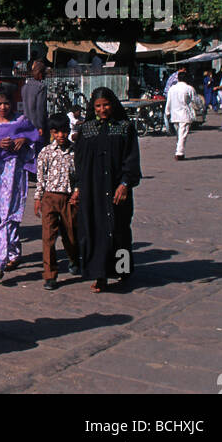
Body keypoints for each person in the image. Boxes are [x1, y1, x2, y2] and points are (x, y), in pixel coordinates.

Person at [71, 87, 141, 293]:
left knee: (120, 230)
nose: (103, 109)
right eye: (98, 106)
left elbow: (131, 158)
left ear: (113, 104)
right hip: (93, 190)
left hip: (118, 189)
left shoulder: (125, 127)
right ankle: (99, 275)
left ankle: (123, 270)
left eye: (106, 105)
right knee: (95, 231)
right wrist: (77, 187)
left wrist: (125, 183)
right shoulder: (87, 129)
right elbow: (79, 161)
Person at [0, 84, 41, 280]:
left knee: (9, 213)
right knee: (2, 213)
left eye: (6, 103)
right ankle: (12, 252)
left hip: (15, 172)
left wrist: (23, 139)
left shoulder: (21, 121)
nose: (3, 107)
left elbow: (35, 137)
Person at [34, 114, 80, 289]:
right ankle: (50, 275)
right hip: (49, 198)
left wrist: (77, 192)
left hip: (69, 199)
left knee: (71, 235)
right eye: (57, 132)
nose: (61, 135)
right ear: (52, 132)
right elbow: (41, 178)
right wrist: (38, 198)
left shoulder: (75, 152)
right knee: (48, 238)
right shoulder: (45, 153)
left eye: (64, 131)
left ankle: (74, 259)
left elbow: (79, 176)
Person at [165, 66, 197, 160]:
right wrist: (201, 108)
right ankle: (179, 153)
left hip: (174, 114)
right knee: (182, 134)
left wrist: (167, 112)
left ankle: (179, 150)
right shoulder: (189, 88)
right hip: (185, 114)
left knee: (179, 134)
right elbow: (196, 100)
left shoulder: (172, 89)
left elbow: (169, 102)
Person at [20, 59, 49, 146]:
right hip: (37, 125)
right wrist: (40, 126)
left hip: (26, 124)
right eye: (44, 73)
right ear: (40, 74)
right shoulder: (41, 87)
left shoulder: (25, 87)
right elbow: (40, 108)